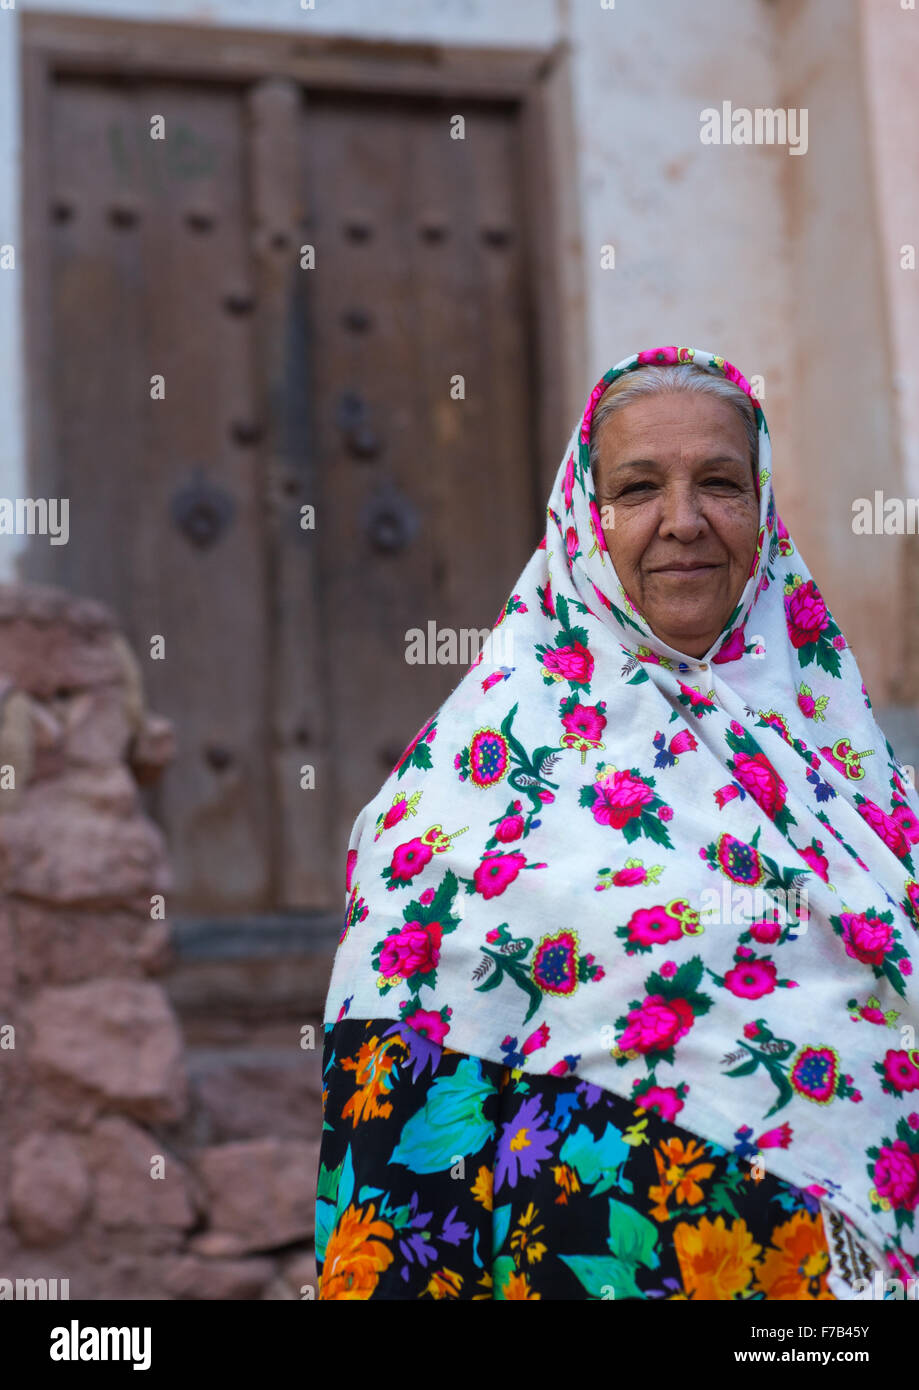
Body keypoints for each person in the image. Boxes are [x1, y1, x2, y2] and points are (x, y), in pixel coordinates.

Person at [314, 345, 919, 1300]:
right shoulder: (453, 805)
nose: (683, 522)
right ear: (582, 520)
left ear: (762, 511)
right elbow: (393, 1155)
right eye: (638, 487)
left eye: (720, 482)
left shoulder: (855, 781)